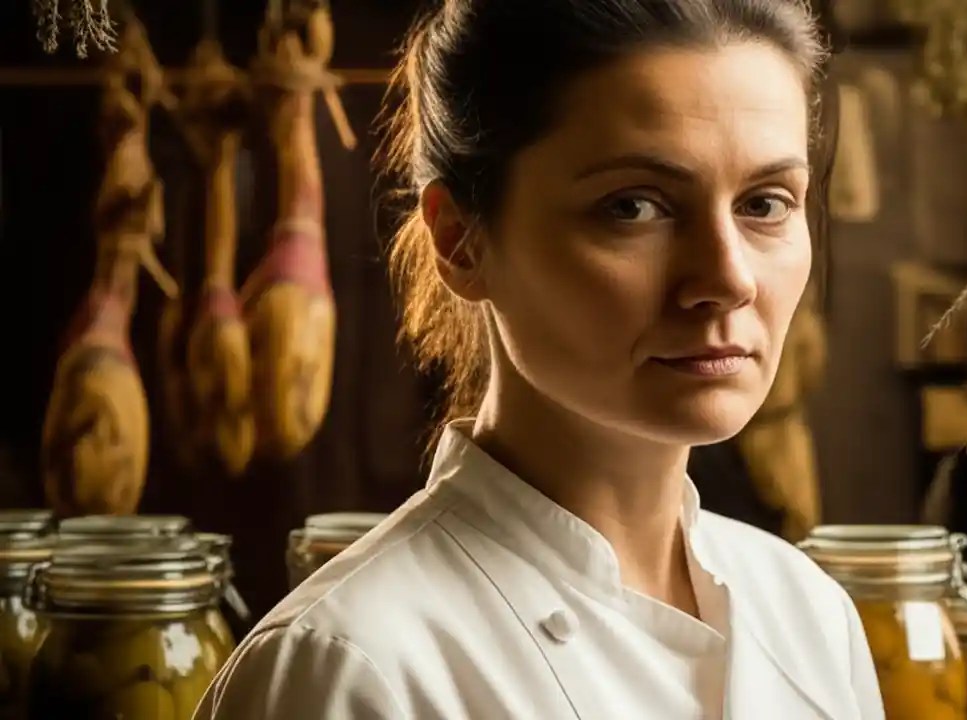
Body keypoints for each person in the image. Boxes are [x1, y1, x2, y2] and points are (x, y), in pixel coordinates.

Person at [194, 1, 884, 717]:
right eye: (633, 207)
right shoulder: (353, 670)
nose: (728, 279)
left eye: (765, 204)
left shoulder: (810, 618)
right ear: (460, 241)